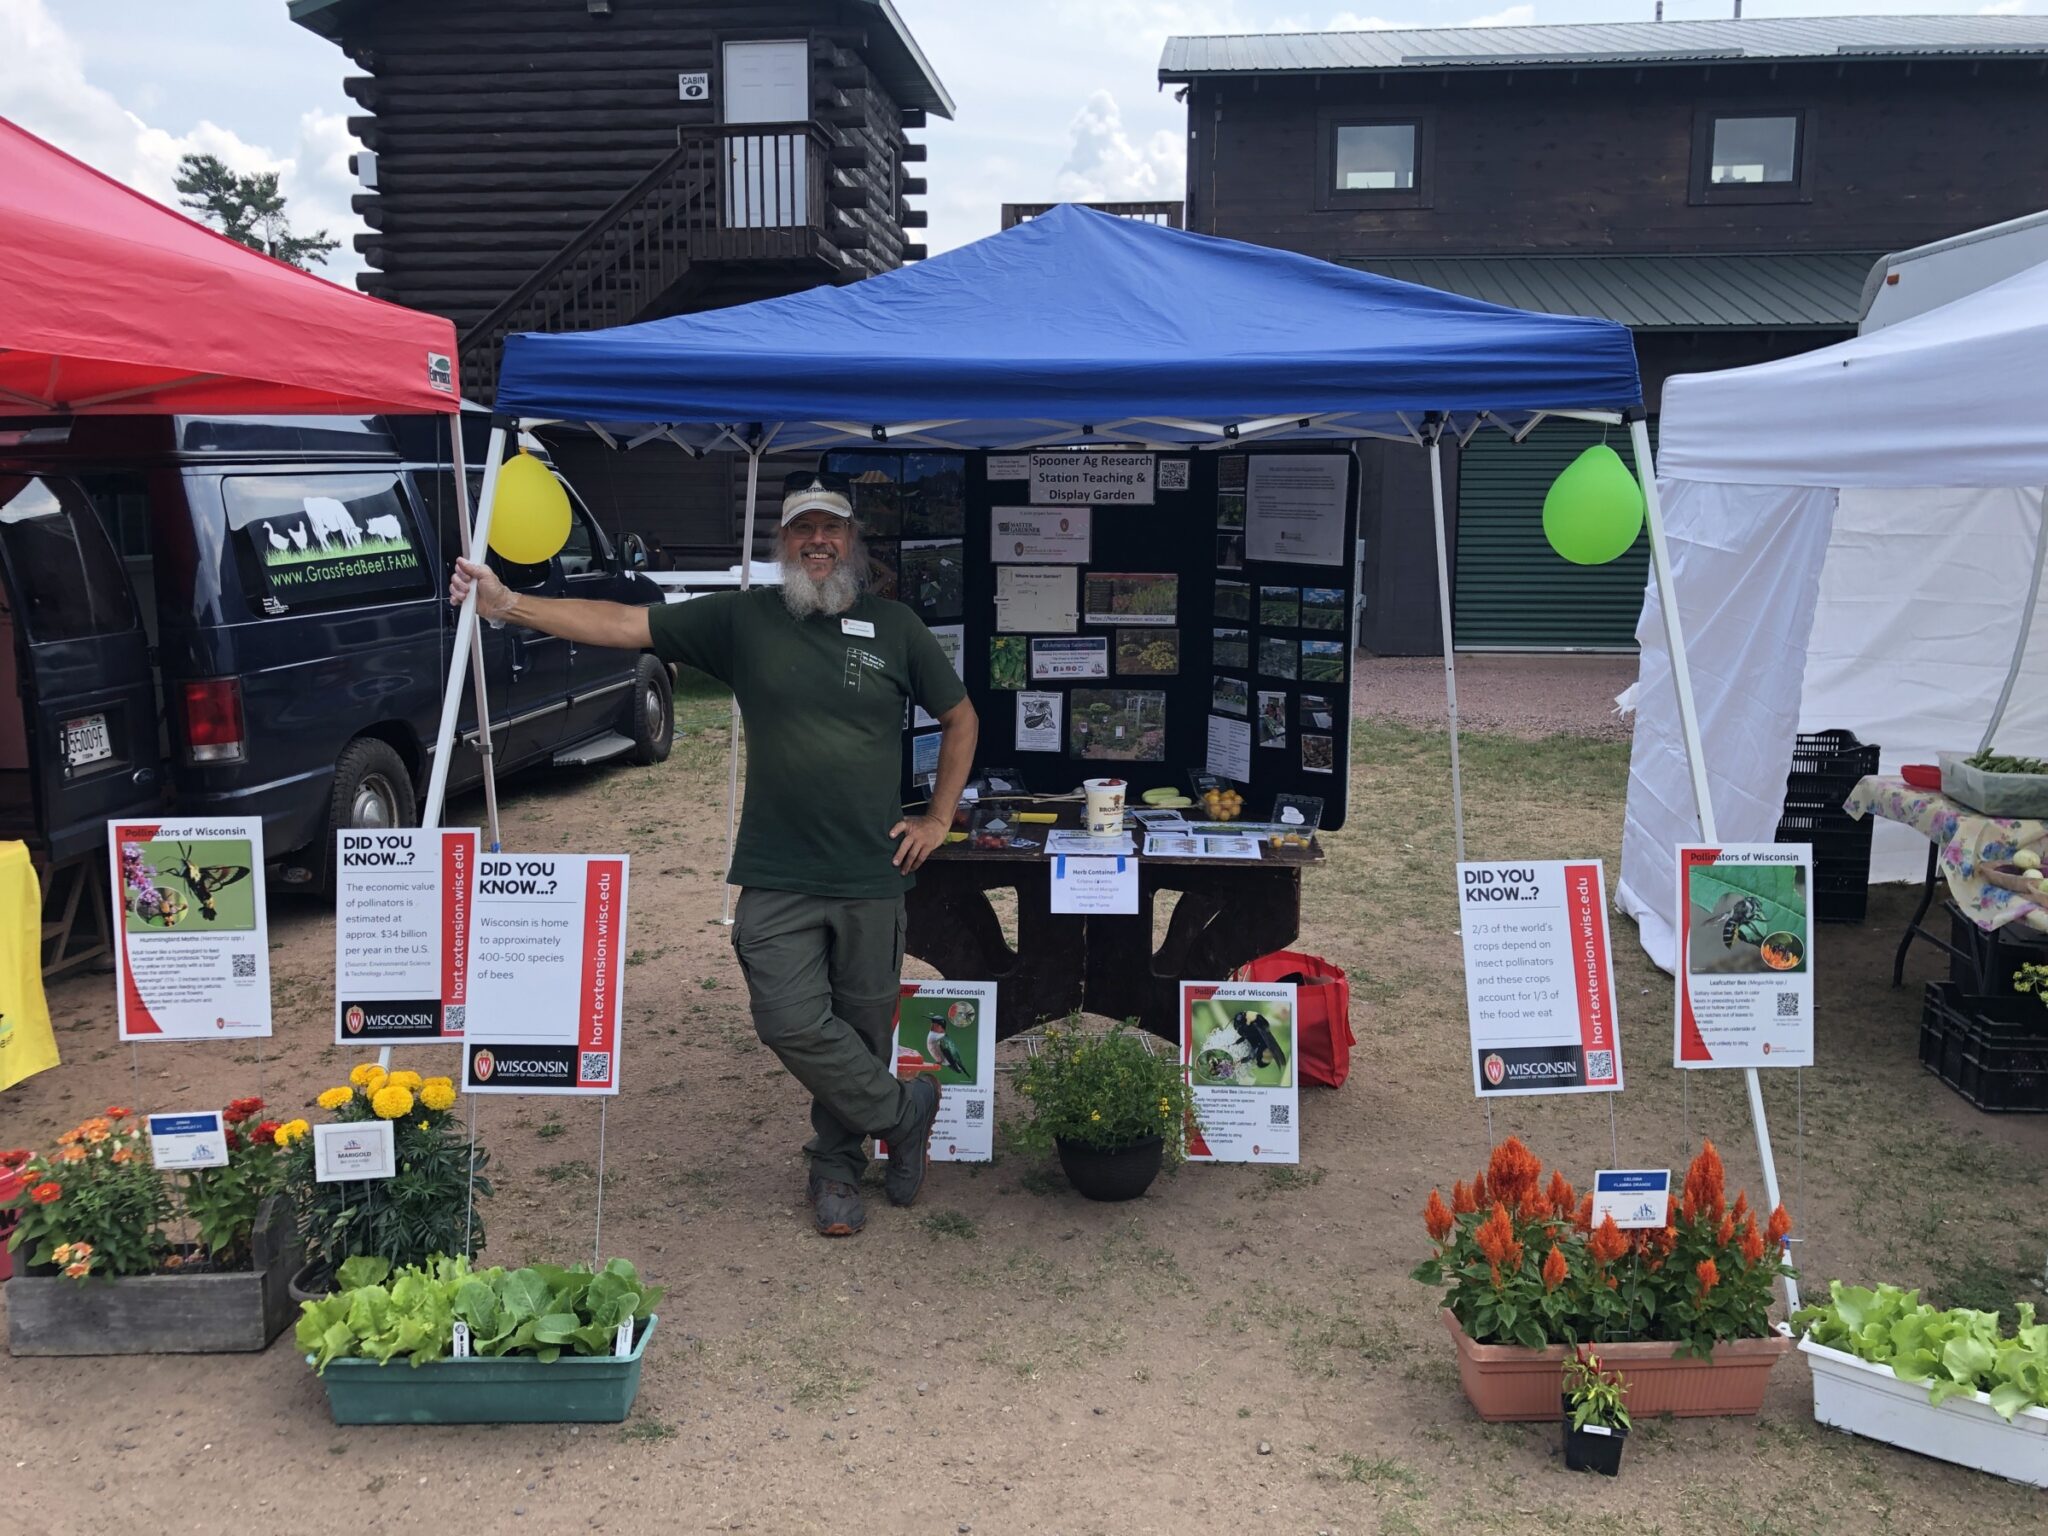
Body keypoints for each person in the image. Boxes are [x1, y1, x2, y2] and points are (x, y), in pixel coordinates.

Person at [448, 469, 978, 1237]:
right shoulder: (744, 620)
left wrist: (937, 818)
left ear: (852, 540)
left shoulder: (896, 628)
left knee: (862, 1031)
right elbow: (622, 623)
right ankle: (905, 1113)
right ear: (783, 541)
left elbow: (961, 718)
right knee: (789, 1019)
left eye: (831, 527)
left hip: (873, 870)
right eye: (803, 529)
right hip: (778, 869)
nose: (818, 542)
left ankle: (835, 1169)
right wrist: (508, 604)